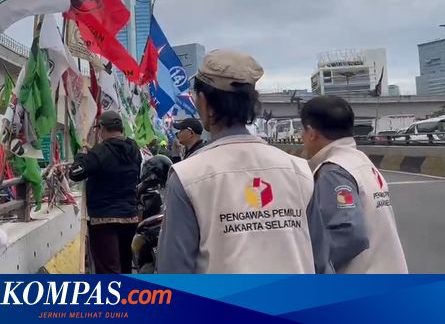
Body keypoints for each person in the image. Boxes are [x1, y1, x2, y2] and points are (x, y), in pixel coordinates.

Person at [157, 49, 319, 274]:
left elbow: (175, 272)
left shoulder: (187, 177)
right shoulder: (299, 170)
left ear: (203, 102)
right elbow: (321, 260)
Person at [301, 95, 408, 273]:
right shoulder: (361, 162)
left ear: (311, 133)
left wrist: (309, 263)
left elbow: (348, 233)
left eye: (302, 131)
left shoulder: (333, 171)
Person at [69, 110, 142, 274]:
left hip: (104, 221)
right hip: (130, 217)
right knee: (124, 267)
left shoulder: (100, 152)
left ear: (101, 128)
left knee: (108, 270)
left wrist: (81, 156)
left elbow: (75, 174)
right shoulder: (134, 149)